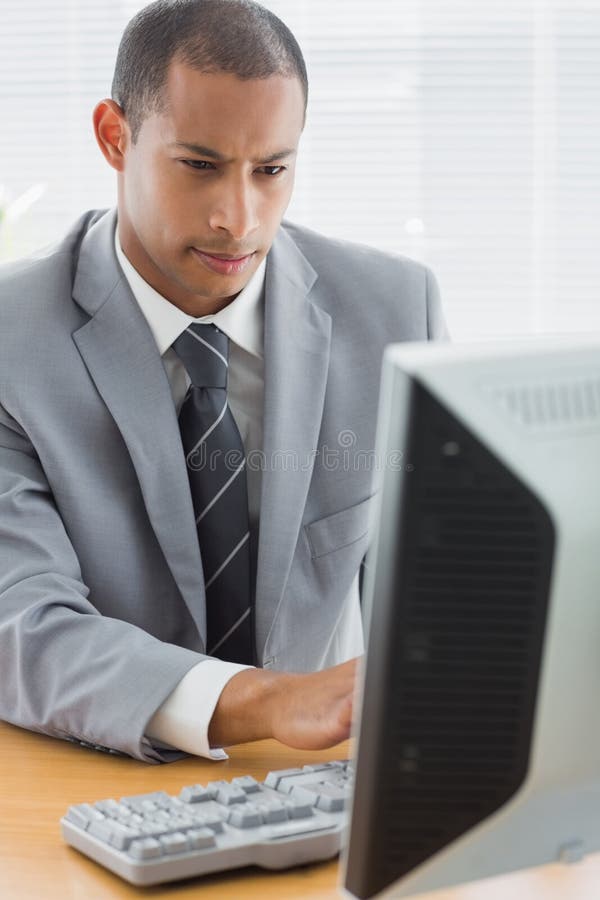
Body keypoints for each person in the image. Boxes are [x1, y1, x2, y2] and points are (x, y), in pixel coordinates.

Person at [0, 0, 448, 764]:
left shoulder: (394, 311)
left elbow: (443, 591)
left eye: (272, 170)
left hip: (313, 789)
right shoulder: (14, 340)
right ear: (116, 136)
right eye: (200, 166)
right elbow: (22, 625)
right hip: (90, 781)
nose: (239, 219)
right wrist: (264, 699)